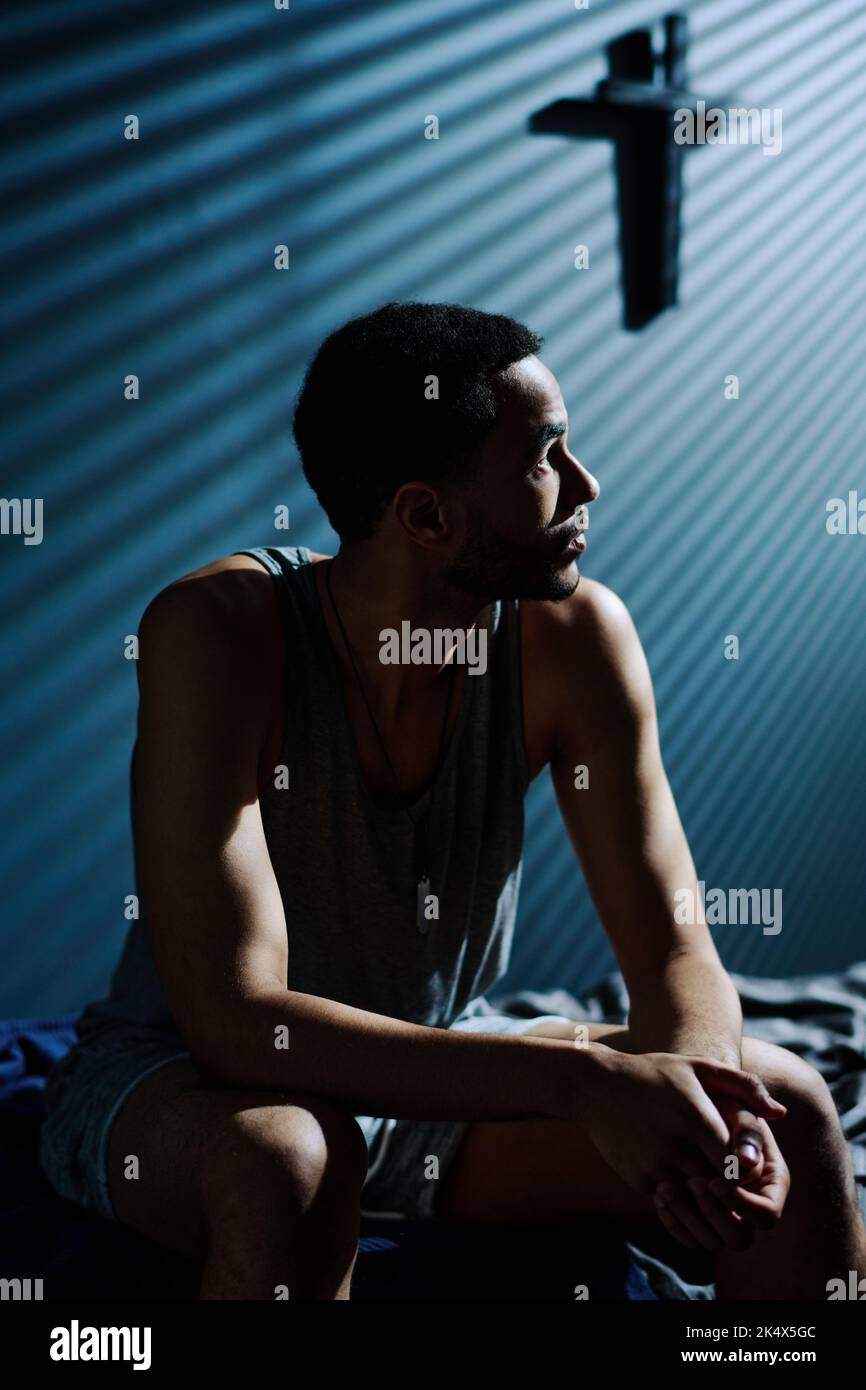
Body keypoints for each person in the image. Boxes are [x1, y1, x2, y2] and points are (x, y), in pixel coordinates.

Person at [39, 302, 866, 1300]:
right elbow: (239, 1023)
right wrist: (578, 1080)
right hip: (195, 1086)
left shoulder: (574, 640)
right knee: (289, 1164)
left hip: (435, 1076)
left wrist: (703, 1104)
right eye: (545, 457)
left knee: (789, 1107)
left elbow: (671, 947)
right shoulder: (218, 633)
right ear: (427, 515)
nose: (585, 486)